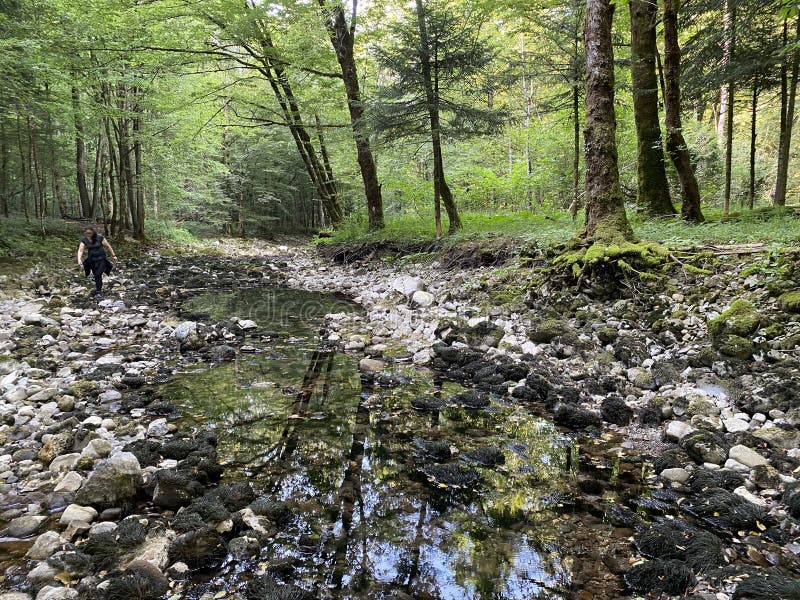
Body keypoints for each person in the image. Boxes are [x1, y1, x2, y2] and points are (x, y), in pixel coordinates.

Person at [77, 227, 118, 298]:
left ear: (93, 232)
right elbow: (80, 250)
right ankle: (98, 288)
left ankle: (98, 291)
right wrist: (79, 259)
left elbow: (108, 246)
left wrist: (113, 255)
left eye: (89, 233)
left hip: (101, 259)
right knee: (95, 274)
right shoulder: (84, 239)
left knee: (98, 274)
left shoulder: (100, 237)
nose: (88, 234)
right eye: (87, 233)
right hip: (91, 260)